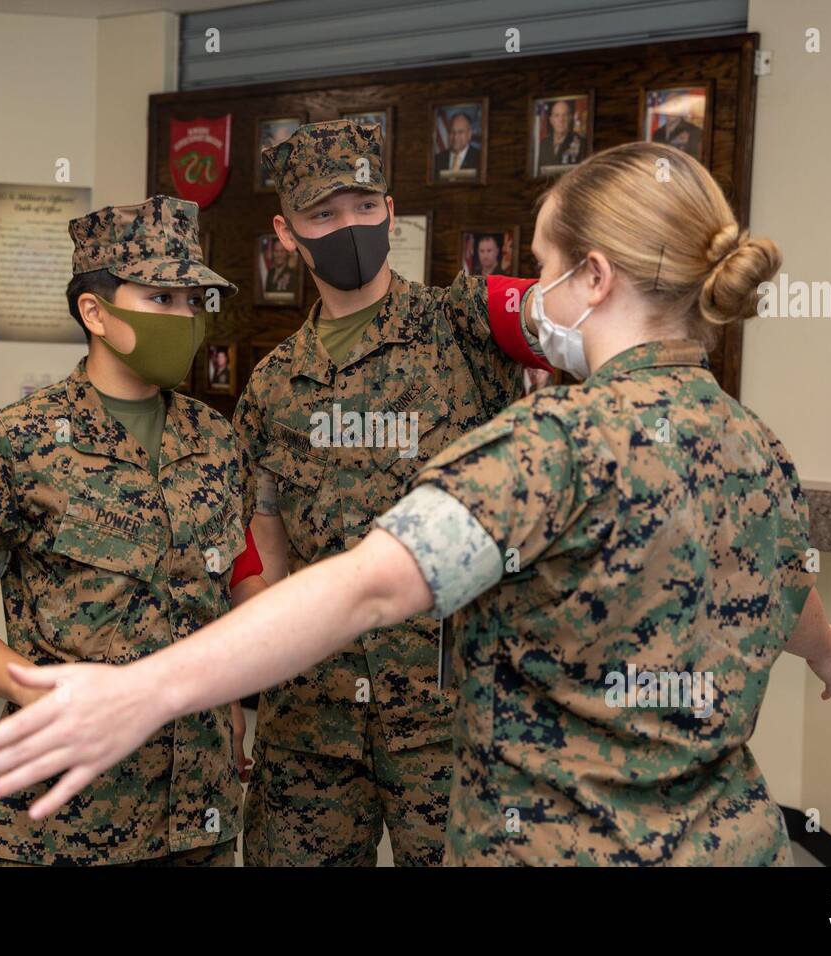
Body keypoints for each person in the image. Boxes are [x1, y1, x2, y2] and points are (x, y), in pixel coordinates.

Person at [0, 143, 831, 867]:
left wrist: (148, 692)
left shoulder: (548, 431)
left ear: (593, 277)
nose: (530, 293)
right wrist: (827, 647)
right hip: (717, 835)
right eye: (323, 213)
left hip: (514, 798)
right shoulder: (754, 442)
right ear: (288, 233)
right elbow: (779, 586)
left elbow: (373, 586)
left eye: (543, 268)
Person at [232, 118, 551, 866]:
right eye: (324, 215)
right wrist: (237, 693)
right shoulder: (275, 386)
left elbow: (576, 309)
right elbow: (265, 555)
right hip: (310, 725)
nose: (350, 227)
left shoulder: (463, 326)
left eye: (366, 206)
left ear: (391, 209)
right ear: (287, 233)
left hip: (451, 725)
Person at [0, 195, 263, 866]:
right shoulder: (12, 444)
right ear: (95, 312)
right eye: (161, 299)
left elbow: (231, 584)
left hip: (200, 814)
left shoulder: (217, 441)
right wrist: (35, 693)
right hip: (60, 817)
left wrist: (238, 699)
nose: (185, 318)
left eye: (192, 301)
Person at [537, 99, 584, 170]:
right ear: (551, 120)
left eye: (564, 115)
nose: (561, 120)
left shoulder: (582, 143)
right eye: (557, 115)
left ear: (570, 118)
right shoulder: (542, 145)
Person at [435, 111, 481, 178]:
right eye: (452, 132)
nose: (455, 137)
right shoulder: (437, 160)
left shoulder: (479, 158)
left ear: (469, 134)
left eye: (460, 132)